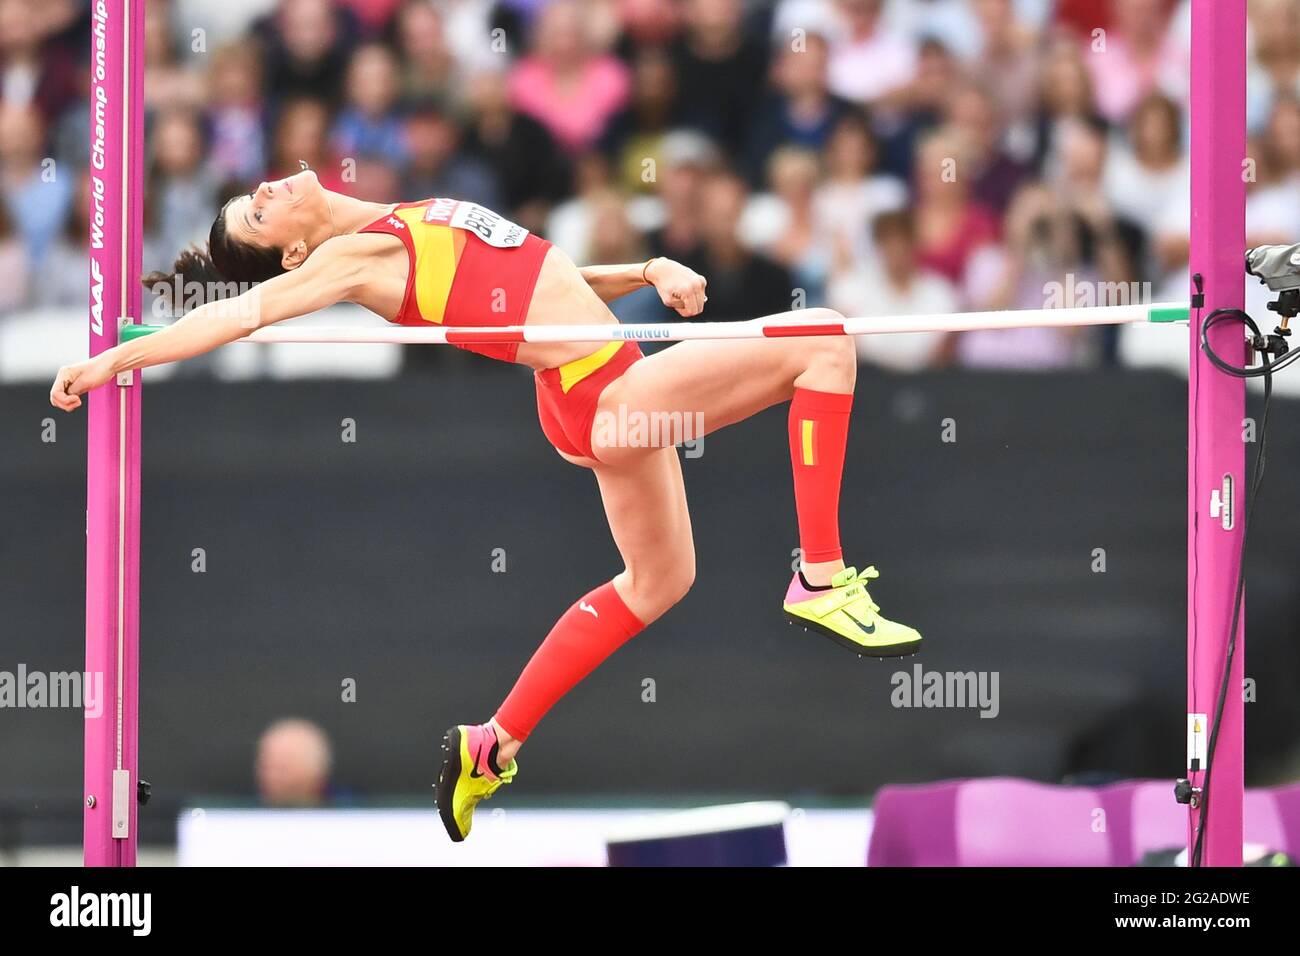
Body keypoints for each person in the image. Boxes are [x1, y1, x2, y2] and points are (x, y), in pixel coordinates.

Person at [49, 170, 923, 842]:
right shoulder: (357, 258)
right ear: (288, 252)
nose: (268, 190)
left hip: (596, 385)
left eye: (255, 193)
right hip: (605, 399)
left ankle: (491, 743)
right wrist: (111, 364)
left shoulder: (397, 222)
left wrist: (645, 268)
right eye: (257, 212)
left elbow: (548, 279)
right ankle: (820, 572)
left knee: (660, 581)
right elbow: (241, 319)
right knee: (824, 340)